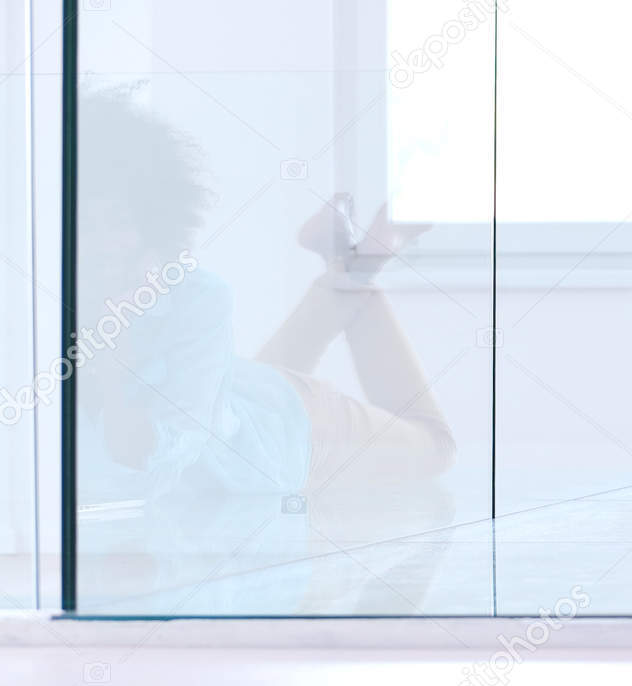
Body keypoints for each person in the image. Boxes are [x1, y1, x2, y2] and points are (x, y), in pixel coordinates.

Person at [76, 87, 455, 505]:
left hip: (294, 435)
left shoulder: (196, 296)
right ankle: (346, 262)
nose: (103, 244)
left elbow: (159, 473)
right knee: (236, 405)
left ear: (151, 223)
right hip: (241, 406)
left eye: (120, 223)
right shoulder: (64, 303)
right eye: (86, 226)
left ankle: (360, 267)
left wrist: (115, 371)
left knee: (436, 447)